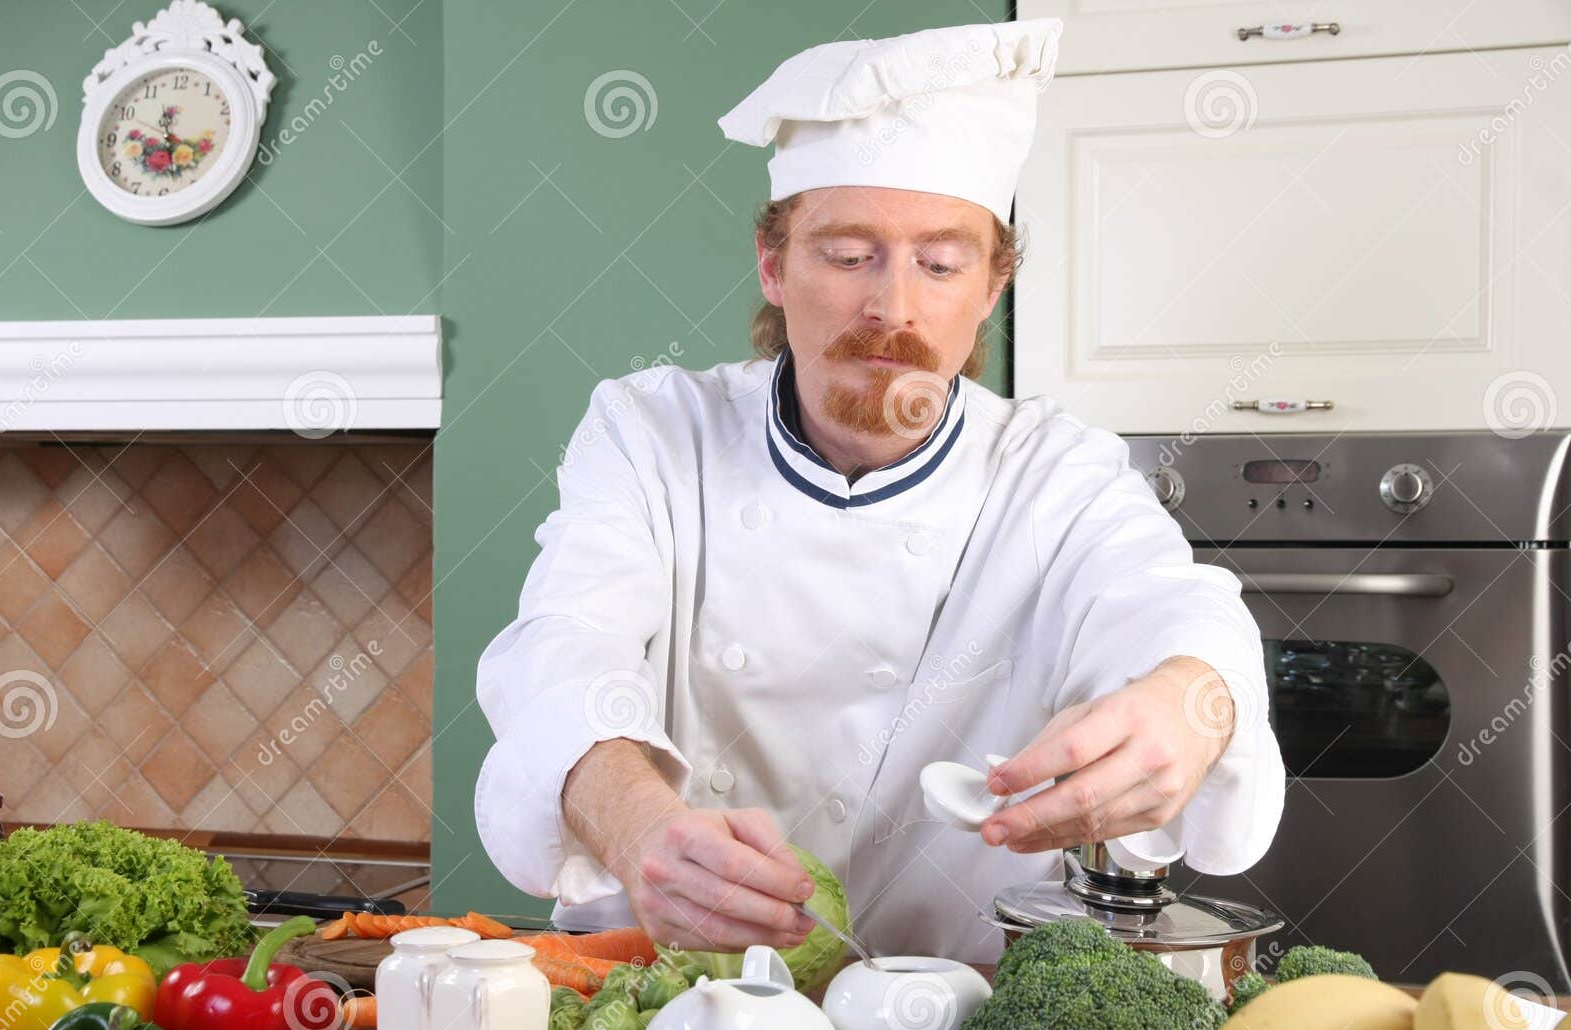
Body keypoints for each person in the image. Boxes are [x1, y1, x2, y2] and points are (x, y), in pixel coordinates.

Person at [475, 18, 1284, 963]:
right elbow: (563, 649)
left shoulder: (1055, 474)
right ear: (774, 265)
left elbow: (1177, 609)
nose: (892, 308)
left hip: (957, 1009)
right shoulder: (652, 432)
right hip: (664, 995)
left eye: (940, 264)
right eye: (848, 254)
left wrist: (1190, 699)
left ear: (992, 287)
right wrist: (637, 825)